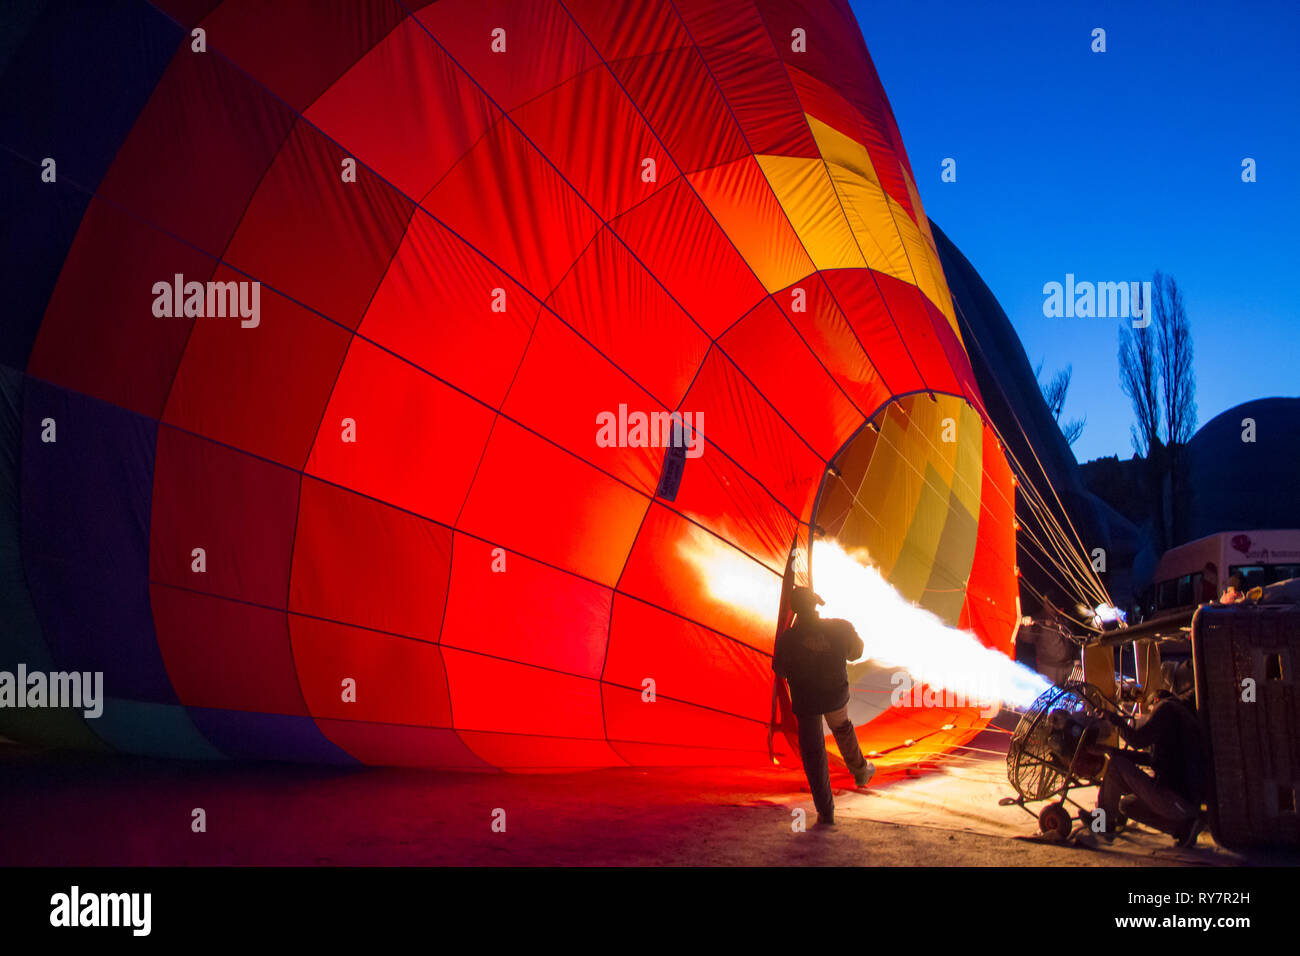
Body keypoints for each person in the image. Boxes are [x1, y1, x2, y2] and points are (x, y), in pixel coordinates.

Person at [772, 587, 875, 826]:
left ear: (794, 609)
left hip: (806, 701)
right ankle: (860, 770)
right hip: (835, 695)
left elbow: (779, 670)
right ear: (816, 604)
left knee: (813, 754)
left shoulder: (788, 639)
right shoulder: (840, 627)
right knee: (842, 727)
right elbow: (856, 653)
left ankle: (826, 812)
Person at [1094, 666, 1207, 847]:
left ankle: (1100, 824)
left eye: (1149, 710)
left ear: (1154, 701)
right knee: (1127, 805)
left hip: (1174, 798)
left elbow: (1138, 740)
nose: (1149, 715)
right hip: (1186, 804)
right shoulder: (1180, 719)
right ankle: (1183, 828)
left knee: (1116, 765)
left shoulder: (1166, 708)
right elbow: (1151, 759)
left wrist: (1114, 720)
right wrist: (1112, 750)